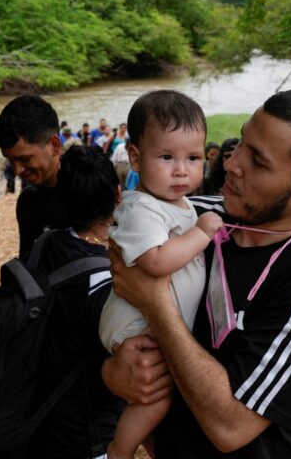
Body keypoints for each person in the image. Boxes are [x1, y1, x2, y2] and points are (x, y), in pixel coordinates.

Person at [105, 88, 291, 458]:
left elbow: (231, 426)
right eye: (241, 142)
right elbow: (113, 274)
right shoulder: (195, 216)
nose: (230, 163)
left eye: (256, 160)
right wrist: (111, 371)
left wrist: (155, 303)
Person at [99, 91, 224, 459]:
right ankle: (118, 452)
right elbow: (154, 261)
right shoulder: (143, 207)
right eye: (167, 157)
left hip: (148, 319)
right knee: (157, 398)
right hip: (135, 322)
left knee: (157, 395)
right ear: (135, 156)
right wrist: (201, 234)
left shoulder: (178, 203)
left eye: (193, 158)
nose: (181, 170)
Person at [29, 145, 125, 458]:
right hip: (91, 428)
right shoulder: (114, 273)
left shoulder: (44, 245)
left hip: (42, 409)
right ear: (118, 194)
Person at [0, 94, 66, 262]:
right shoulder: (28, 202)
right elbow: (29, 264)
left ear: (54, 146)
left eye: (25, 159)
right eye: (11, 161)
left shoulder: (93, 191)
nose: (18, 170)